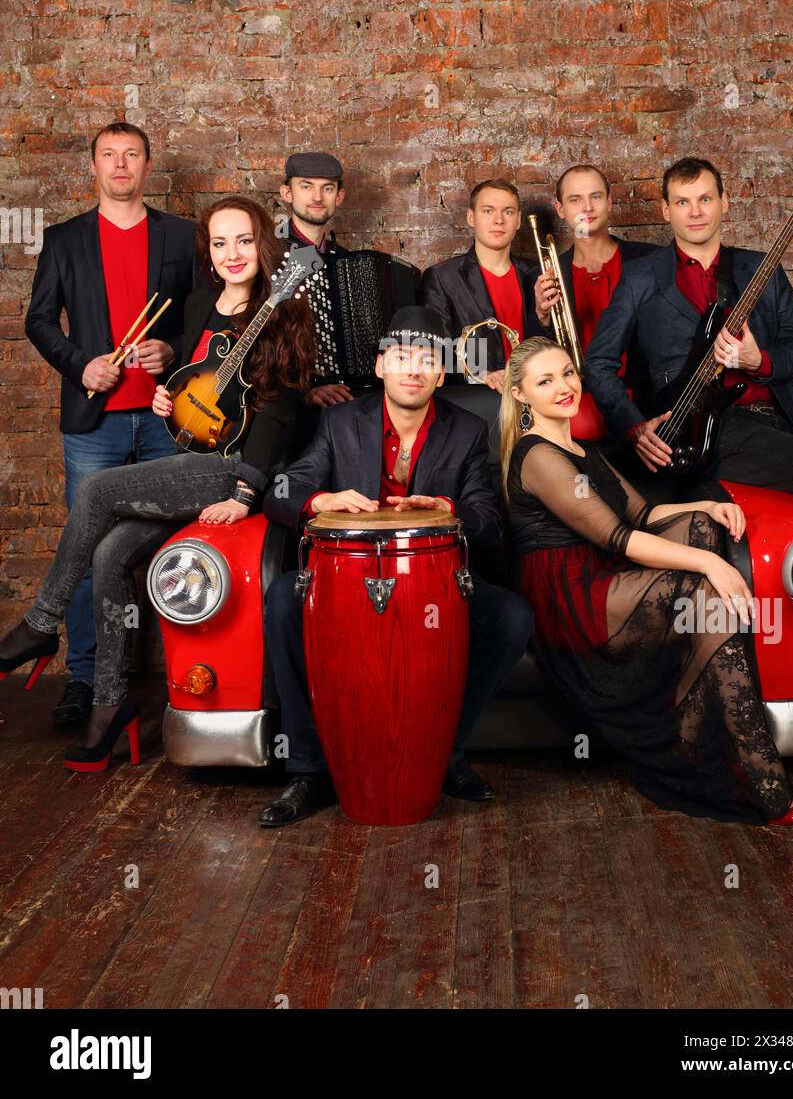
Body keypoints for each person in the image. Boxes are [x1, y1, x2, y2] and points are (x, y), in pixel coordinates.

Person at [0, 196, 316, 771]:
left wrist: (245, 492)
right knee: (112, 550)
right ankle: (109, 704)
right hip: (183, 455)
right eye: (219, 244)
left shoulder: (284, 310)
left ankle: (40, 624)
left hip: (229, 468)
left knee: (96, 492)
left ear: (264, 243)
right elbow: (193, 381)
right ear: (209, 253)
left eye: (244, 240)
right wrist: (167, 400)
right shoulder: (199, 304)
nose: (232, 253)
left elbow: (278, 410)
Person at [503, 336, 793, 826]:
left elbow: (643, 511)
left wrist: (705, 506)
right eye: (545, 380)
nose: (564, 387)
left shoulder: (581, 448)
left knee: (702, 528)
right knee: (705, 585)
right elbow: (617, 537)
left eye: (567, 372)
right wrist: (710, 563)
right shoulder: (537, 455)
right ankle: (760, 779)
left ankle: (697, 741)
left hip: (601, 573)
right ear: (520, 394)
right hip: (568, 595)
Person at [258, 305, 533, 827]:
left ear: (442, 370)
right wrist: (318, 501)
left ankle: (441, 752)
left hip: (431, 588)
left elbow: (488, 519)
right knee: (282, 601)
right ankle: (310, 769)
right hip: (344, 581)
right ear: (381, 364)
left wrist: (446, 509)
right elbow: (283, 488)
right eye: (401, 355)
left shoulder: (469, 430)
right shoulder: (339, 423)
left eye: (427, 358)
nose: (413, 368)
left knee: (511, 617)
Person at [583, 157, 793, 555]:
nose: (695, 211)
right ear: (666, 210)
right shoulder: (640, 277)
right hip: (702, 431)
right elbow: (598, 364)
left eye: (705, 199)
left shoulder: (760, 268)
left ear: (725, 202)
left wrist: (757, 360)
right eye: (682, 202)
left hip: (776, 425)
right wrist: (634, 427)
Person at [23, 121, 196, 727]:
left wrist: (170, 351)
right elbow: (39, 321)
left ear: (148, 166)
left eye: (132, 155)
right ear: (93, 167)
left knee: (173, 547)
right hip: (93, 422)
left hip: (166, 419)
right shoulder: (64, 238)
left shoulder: (182, 236)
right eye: (108, 156)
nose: (120, 165)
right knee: (87, 549)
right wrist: (80, 364)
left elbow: (203, 320)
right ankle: (87, 681)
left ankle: (189, 677)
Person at [533, 163, 658, 437]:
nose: (587, 208)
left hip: (647, 400)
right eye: (575, 199)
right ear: (560, 209)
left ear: (610, 202)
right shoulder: (544, 274)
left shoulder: (651, 260)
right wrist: (542, 318)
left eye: (596, 196)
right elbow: (534, 360)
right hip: (578, 406)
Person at [421, 179, 542, 392]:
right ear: (471, 217)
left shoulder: (536, 273)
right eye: (488, 211)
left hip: (535, 396)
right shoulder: (442, 277)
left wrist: (544, 317)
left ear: (518, 220)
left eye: (508, 212)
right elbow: (437, 352)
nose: (498, 220)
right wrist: (480, 376)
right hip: (479, 400)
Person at [278, 150, 352, 410]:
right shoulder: (267, 254)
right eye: (306, 186)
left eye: (327, 188)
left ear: (339, 197)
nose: (317, 197)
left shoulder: (345, 260)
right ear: (287, 193)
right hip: (285, 403)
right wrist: (305, 391)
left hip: (343, 398)